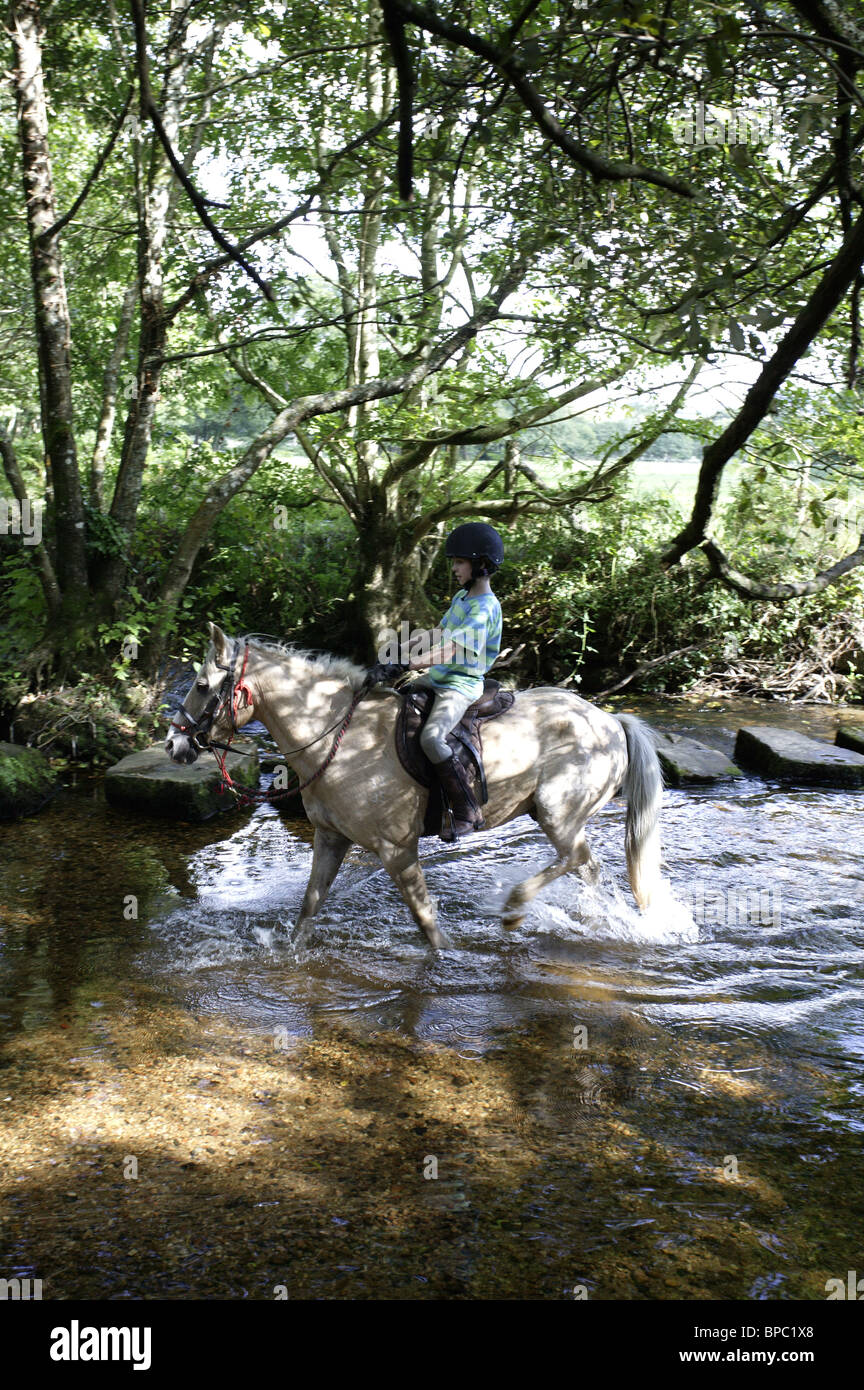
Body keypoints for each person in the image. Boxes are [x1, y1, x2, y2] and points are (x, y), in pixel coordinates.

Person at [409, 522, 504, 840]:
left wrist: (410, 662)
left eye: (460, 562)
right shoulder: (461, 599)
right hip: (437, 676)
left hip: (459, 685)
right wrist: (394, 655)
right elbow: (437, 634)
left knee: (432, 738)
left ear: (480, 565)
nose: (454, 568)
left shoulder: (486, 608)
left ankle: (466, 810)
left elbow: (453, 647)